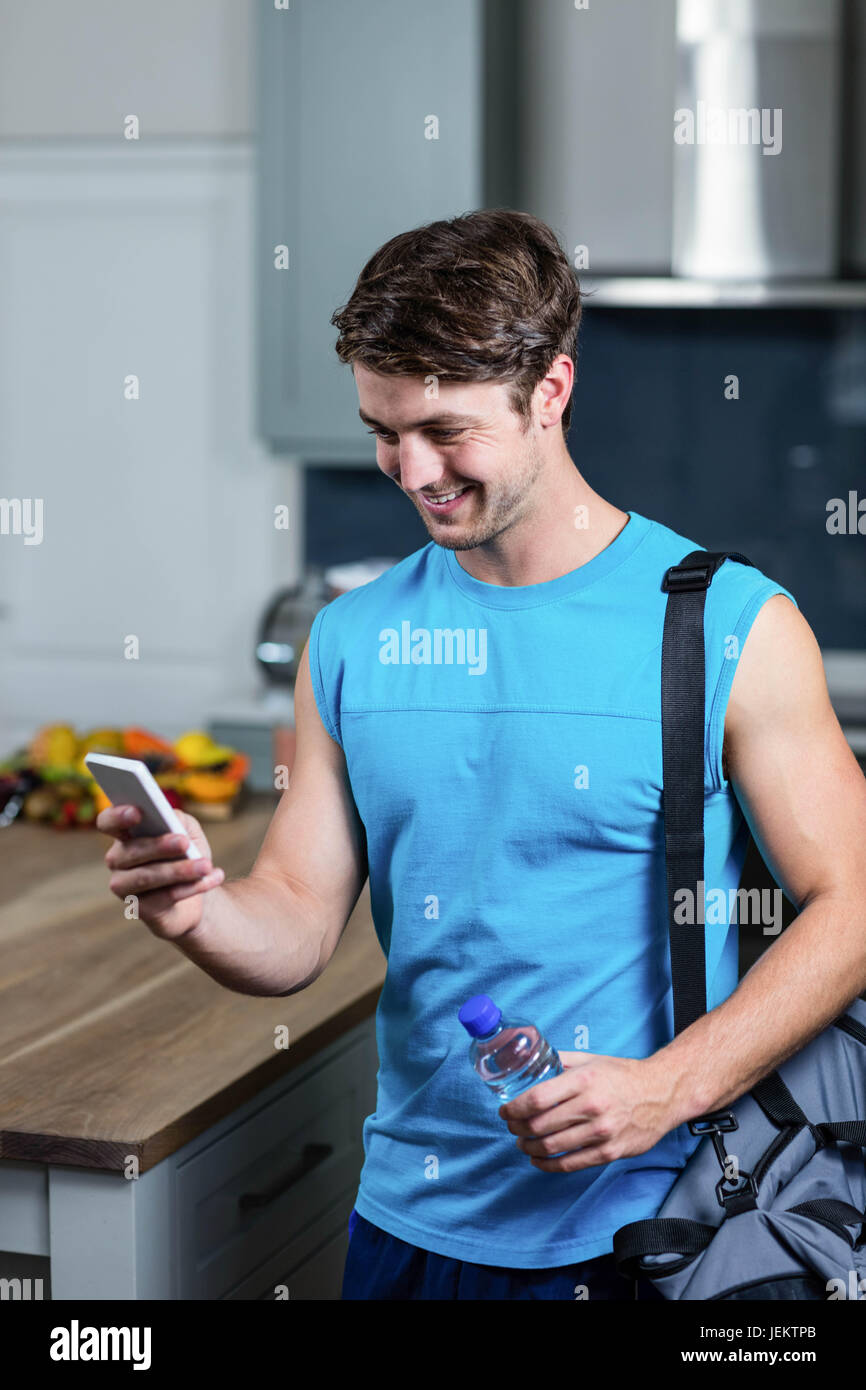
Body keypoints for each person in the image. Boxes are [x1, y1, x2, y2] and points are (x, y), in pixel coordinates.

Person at [96, 209, 866, 1301]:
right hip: (403, 1228)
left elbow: (854, 901)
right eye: (382, 429)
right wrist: (197, 913)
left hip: (657, 1228)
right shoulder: (353, 638)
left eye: (445, 431)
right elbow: (296, 923)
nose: (411, 472)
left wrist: (663, 1087)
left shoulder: (724, 623)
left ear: (550, 389)